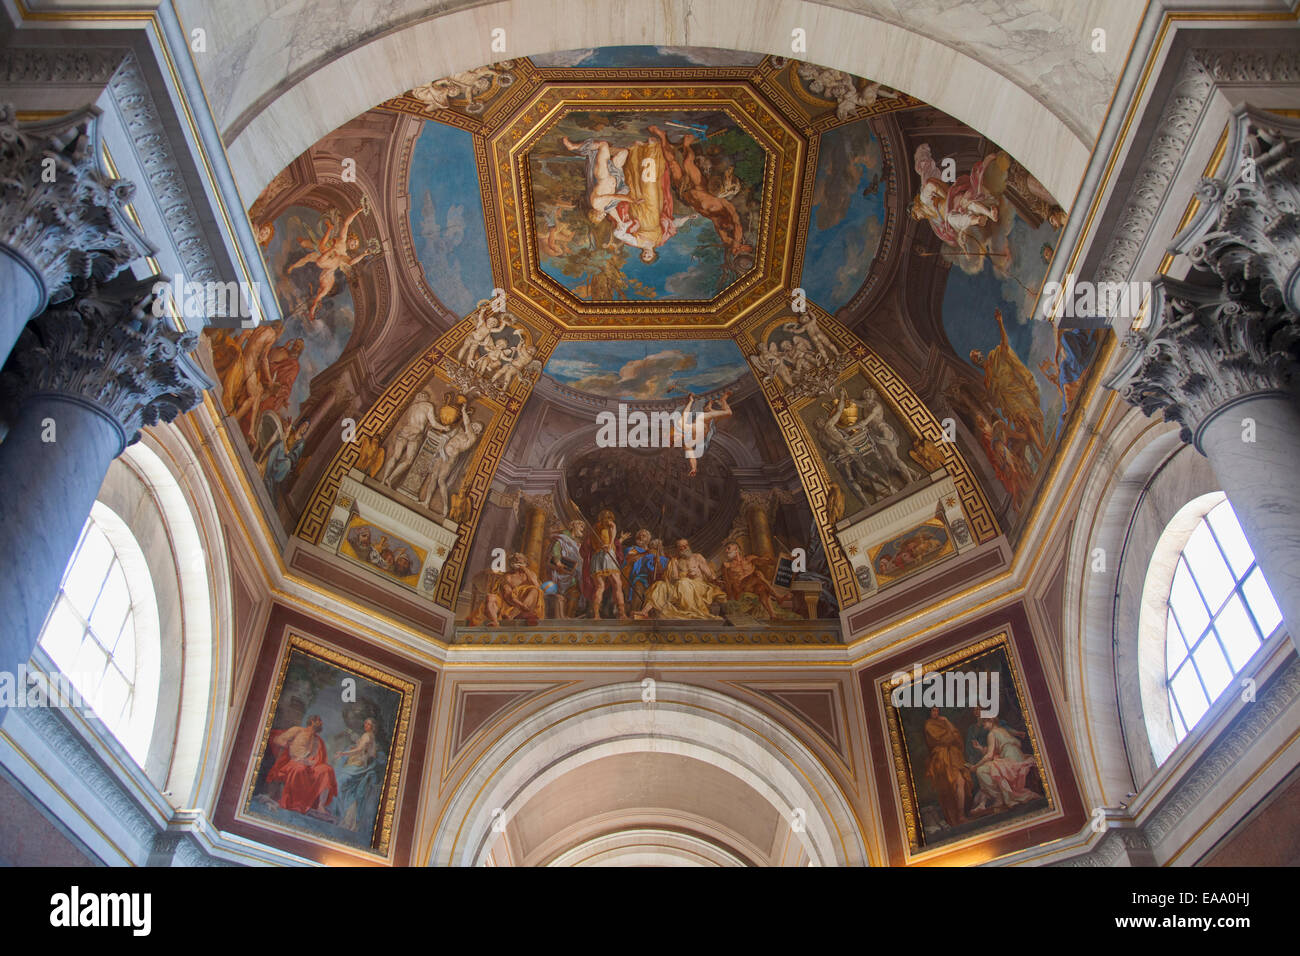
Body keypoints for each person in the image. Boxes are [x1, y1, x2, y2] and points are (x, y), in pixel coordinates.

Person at [649, 126, 752, 256]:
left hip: (686, 192)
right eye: (727, 227)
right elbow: (737, 226)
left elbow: (726, 239)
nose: (723, 226)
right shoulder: (728, 210)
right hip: (700, 187)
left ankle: (662, 135)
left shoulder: (717, 223)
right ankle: (687, 146)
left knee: (673, 165)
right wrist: (738, 244)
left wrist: (734, 246)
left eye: (723, 228)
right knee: (687, 163)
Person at [286, 204, 369, 321]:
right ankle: (293, 266)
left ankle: (313, 309)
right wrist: (358, 211)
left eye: (354, 245)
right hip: (323, 250)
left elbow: (351, 262)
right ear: (350, 238)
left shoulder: (345, 255)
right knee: (305, 247)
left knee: (324, 291)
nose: (353, 244)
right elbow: (346, 223)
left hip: (329, 265)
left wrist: (363, 255)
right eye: (353, 241)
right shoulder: (341, 240)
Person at [265, 715, 338, 817]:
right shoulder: (297, 730)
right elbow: (278, 740)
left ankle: (320, 806)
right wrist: (288, 745)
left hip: (311, 766)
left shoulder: (319, 740)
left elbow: (319, 759)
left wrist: (311, 763)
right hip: (295, 762)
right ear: (312, 721)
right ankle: (296, 805)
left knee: (327, 769)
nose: (321, 723)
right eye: (319, 721)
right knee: (300, 768)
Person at [635, 538, 725, 619]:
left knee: (684, 582)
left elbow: (709, 574)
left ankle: (691, 611)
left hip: (698, 585)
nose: (683, 548)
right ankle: (644, 612)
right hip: (678, 585)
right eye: (680, 546)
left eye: (685, 545)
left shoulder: (697, 557)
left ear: (688, 546)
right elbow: (673, 578)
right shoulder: (675, 560)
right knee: (659, 585)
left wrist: (714, 580)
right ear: (677, 549)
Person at [468, 552, 545, 626]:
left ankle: (512, 616)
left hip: (527, 606)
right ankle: (495, 622)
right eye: (515, 559)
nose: (517, 560)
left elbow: (538, 587)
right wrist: (520, 605)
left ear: (525, 562)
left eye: (520, 558)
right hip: (510, 603)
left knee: (535, 590)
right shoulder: (508, 576)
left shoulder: (530, 574)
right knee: (490, 597)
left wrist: (526, 571)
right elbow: (507, 595)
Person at [923, 707, 970, 827]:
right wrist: (952, 734)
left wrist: (948, 722)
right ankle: (956, 817)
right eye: (933, 711)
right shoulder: (929, 724)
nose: (936, 713)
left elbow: (957, 737)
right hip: (942, 758)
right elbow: (943, 739)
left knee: (961, 782)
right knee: (950, 786)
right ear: (929, 712)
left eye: (937, 710)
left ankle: (961, 814)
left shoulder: (944, 722)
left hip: (954, 757)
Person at [333, 718, 379, 832]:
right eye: (365, 723)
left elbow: (359, 750)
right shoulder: (371, 737)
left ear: (372, 726)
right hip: (360, 765)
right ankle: (348, 821)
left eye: (369, 724)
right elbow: (372, 754)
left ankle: (347, 820)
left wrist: (343, 753)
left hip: (357, 766)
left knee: (341, 785)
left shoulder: (367, 736)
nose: (366, 725)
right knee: (350, 792)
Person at [718, 540, 778, 618]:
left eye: (728, 548)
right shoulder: (726, 565)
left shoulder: (749, 559)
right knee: (758, 574)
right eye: (725, 549)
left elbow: (765, 562)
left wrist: (770, 559)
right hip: (740, 589)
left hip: (751, 588)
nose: (726, 551)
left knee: (761, 588)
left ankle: (772, 615)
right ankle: (777, 596)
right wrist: (730, 598)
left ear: (736, 549)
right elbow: (727, 583)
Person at [546, 519, 586, 618]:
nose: (582, 529)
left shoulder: (578, 543)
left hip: (573, 573)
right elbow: (556, 549)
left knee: (574, 593)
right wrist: (558, 562)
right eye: (580, 526)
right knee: (560, 595)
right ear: (573, 526)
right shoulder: (563, 538)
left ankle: (569, 616)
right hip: (562, 571)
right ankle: (560, 617)